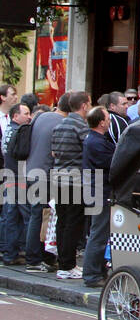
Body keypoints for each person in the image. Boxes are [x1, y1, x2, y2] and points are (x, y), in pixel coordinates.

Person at [50, 90, 92, 280]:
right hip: (75, 180)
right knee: (73, 224)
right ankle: (68, 266)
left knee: (62, 221)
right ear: (83, 106)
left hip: (58, 178)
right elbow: (88, 151)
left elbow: (53, 153)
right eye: (89, 104)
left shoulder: (59, 126)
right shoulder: (82, 127)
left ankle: (63, 263)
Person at [24, 94, 64, 271]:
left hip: (32, 171)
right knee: (42, 216)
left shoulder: (41, 116)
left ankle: (37, 257)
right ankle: (34, 259)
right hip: (45, 174)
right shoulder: (61, 122)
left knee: (37, 215)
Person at [80, 107, 115, 289]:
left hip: (96, 189)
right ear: (101, 122)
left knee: (99, 233)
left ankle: (97, 271)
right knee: (98, 234)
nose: (110, 121)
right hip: (99, 191)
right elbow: (112, 163)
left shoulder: (95, 139)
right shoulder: (96, 142)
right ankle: (92, 274)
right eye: (108, 118)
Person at [1, 101, 33, 265]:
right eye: (26, 113)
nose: (29, 117)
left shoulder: (8, 129)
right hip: (18, 179)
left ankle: (9, 253)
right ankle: (22, 252)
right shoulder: (20, 131)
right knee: (23, 216)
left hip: (9, 177)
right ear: (15, 116)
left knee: (10, 217)